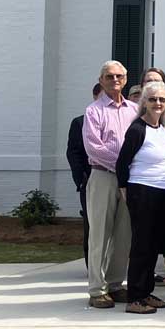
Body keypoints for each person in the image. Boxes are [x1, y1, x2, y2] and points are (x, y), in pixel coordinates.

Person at [114, 81, 165, 313]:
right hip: (143, 192)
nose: (158, 104)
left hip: (164, 191)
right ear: (144, 102)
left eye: (162, 100)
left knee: (155, 244)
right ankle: (135, 297)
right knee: (142, 246)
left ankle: (146, 291)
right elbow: (122, 163)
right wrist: (126, 192)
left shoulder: (161, 129)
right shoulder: (137, 130)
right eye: (153, 99)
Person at [82, 61, 139, 307]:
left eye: (119, 76)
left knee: (124, 234)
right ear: (101, 80)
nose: (114, 79)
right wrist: (124, 162)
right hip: (103, 176)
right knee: (99, 235)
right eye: (109, 76)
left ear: (125, 79)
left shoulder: (135, 110)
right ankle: (97, 289)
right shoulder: (93, 111)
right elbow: (94, 147)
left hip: (130, 180)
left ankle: (115, 284)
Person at [66, 84, 98, 262]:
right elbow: (73, 153)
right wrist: (81, 180)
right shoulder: (80, 122)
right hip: (90, 180)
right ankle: (91, 264)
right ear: (95, 96)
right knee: (91, 224)